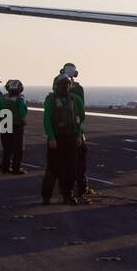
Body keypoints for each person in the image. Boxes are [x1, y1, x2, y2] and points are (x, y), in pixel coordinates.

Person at [41, 73, 84, 205]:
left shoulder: (75, 100)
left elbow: (79, 118)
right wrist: (51, 137)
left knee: (70, 169)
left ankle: (67, 195)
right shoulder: (51, 99)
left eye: (66, 84)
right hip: (57, 138)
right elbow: (47, 120)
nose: (65, 87)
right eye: (63, 85)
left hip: (71, 138)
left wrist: (79, 135)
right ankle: (46, 196)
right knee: (52, 169)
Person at [59, 63, 92, 202]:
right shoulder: (78, 89)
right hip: (74, 129)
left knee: (62, 161)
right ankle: (82, 187)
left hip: (59, 131)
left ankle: (65, 188)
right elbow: (81, 113)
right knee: (80, 160)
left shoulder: (56, 87)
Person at [0, 80, 27, 174]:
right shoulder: (20, 99)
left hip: (4, 123)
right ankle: (16, 168)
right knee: (18, 147)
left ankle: (5, 167)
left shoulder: (4, 97)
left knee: (7, 147)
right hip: (16, 124)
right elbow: (23, 112)